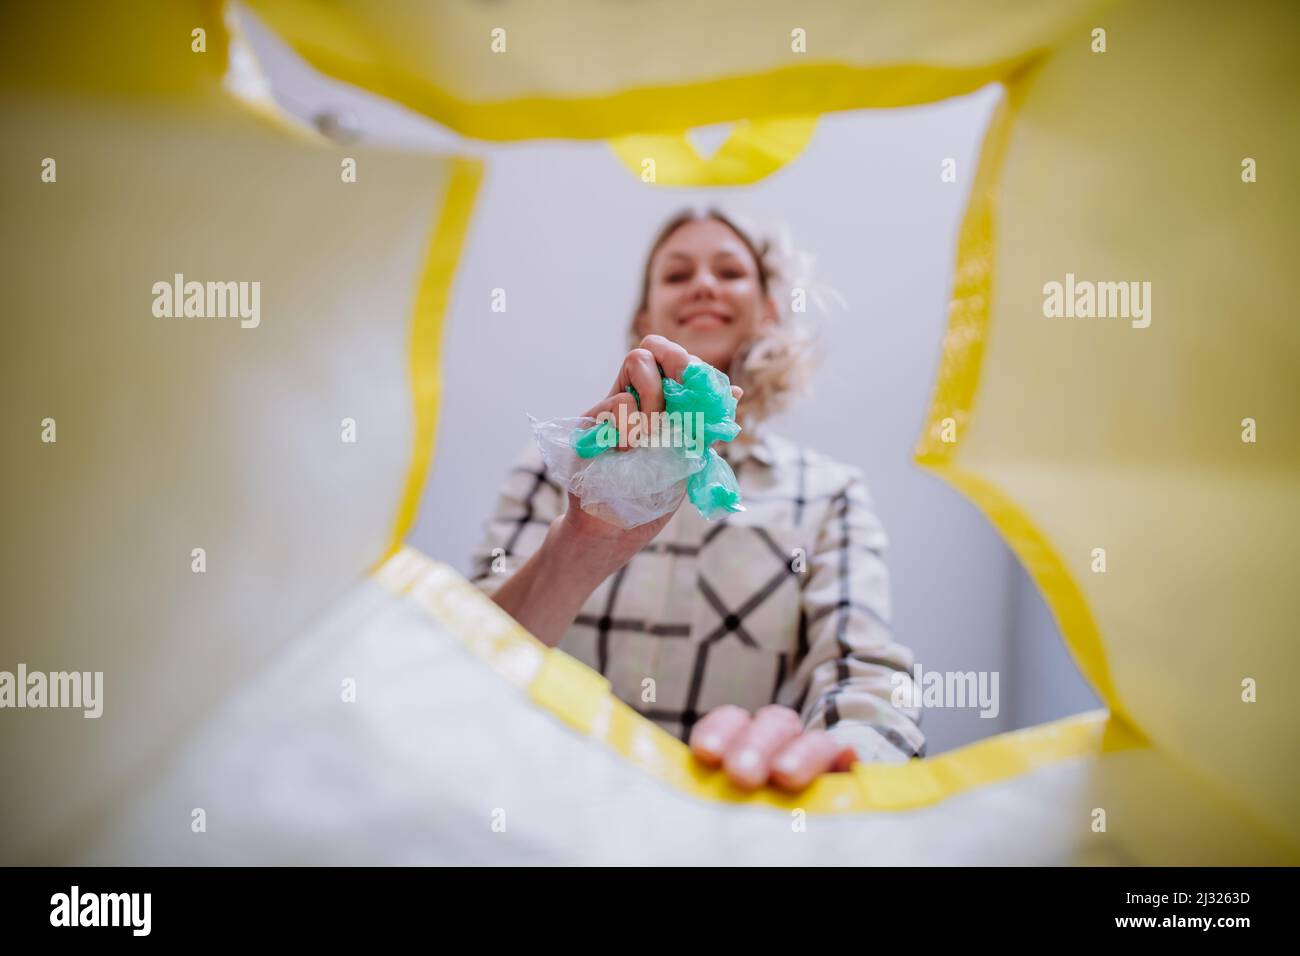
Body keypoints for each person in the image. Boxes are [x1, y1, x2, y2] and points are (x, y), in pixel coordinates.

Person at [470, 207, 924, 792]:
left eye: (730, 272)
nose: (704, 284)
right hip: (541, 809)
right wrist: (584, 539)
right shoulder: (557, 470)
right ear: (644, 317)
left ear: (767, 310)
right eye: (678, 275)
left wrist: (843, 764)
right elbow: (466, 660)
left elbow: (861, 677)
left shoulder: (830, 496)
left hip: (726, 822)